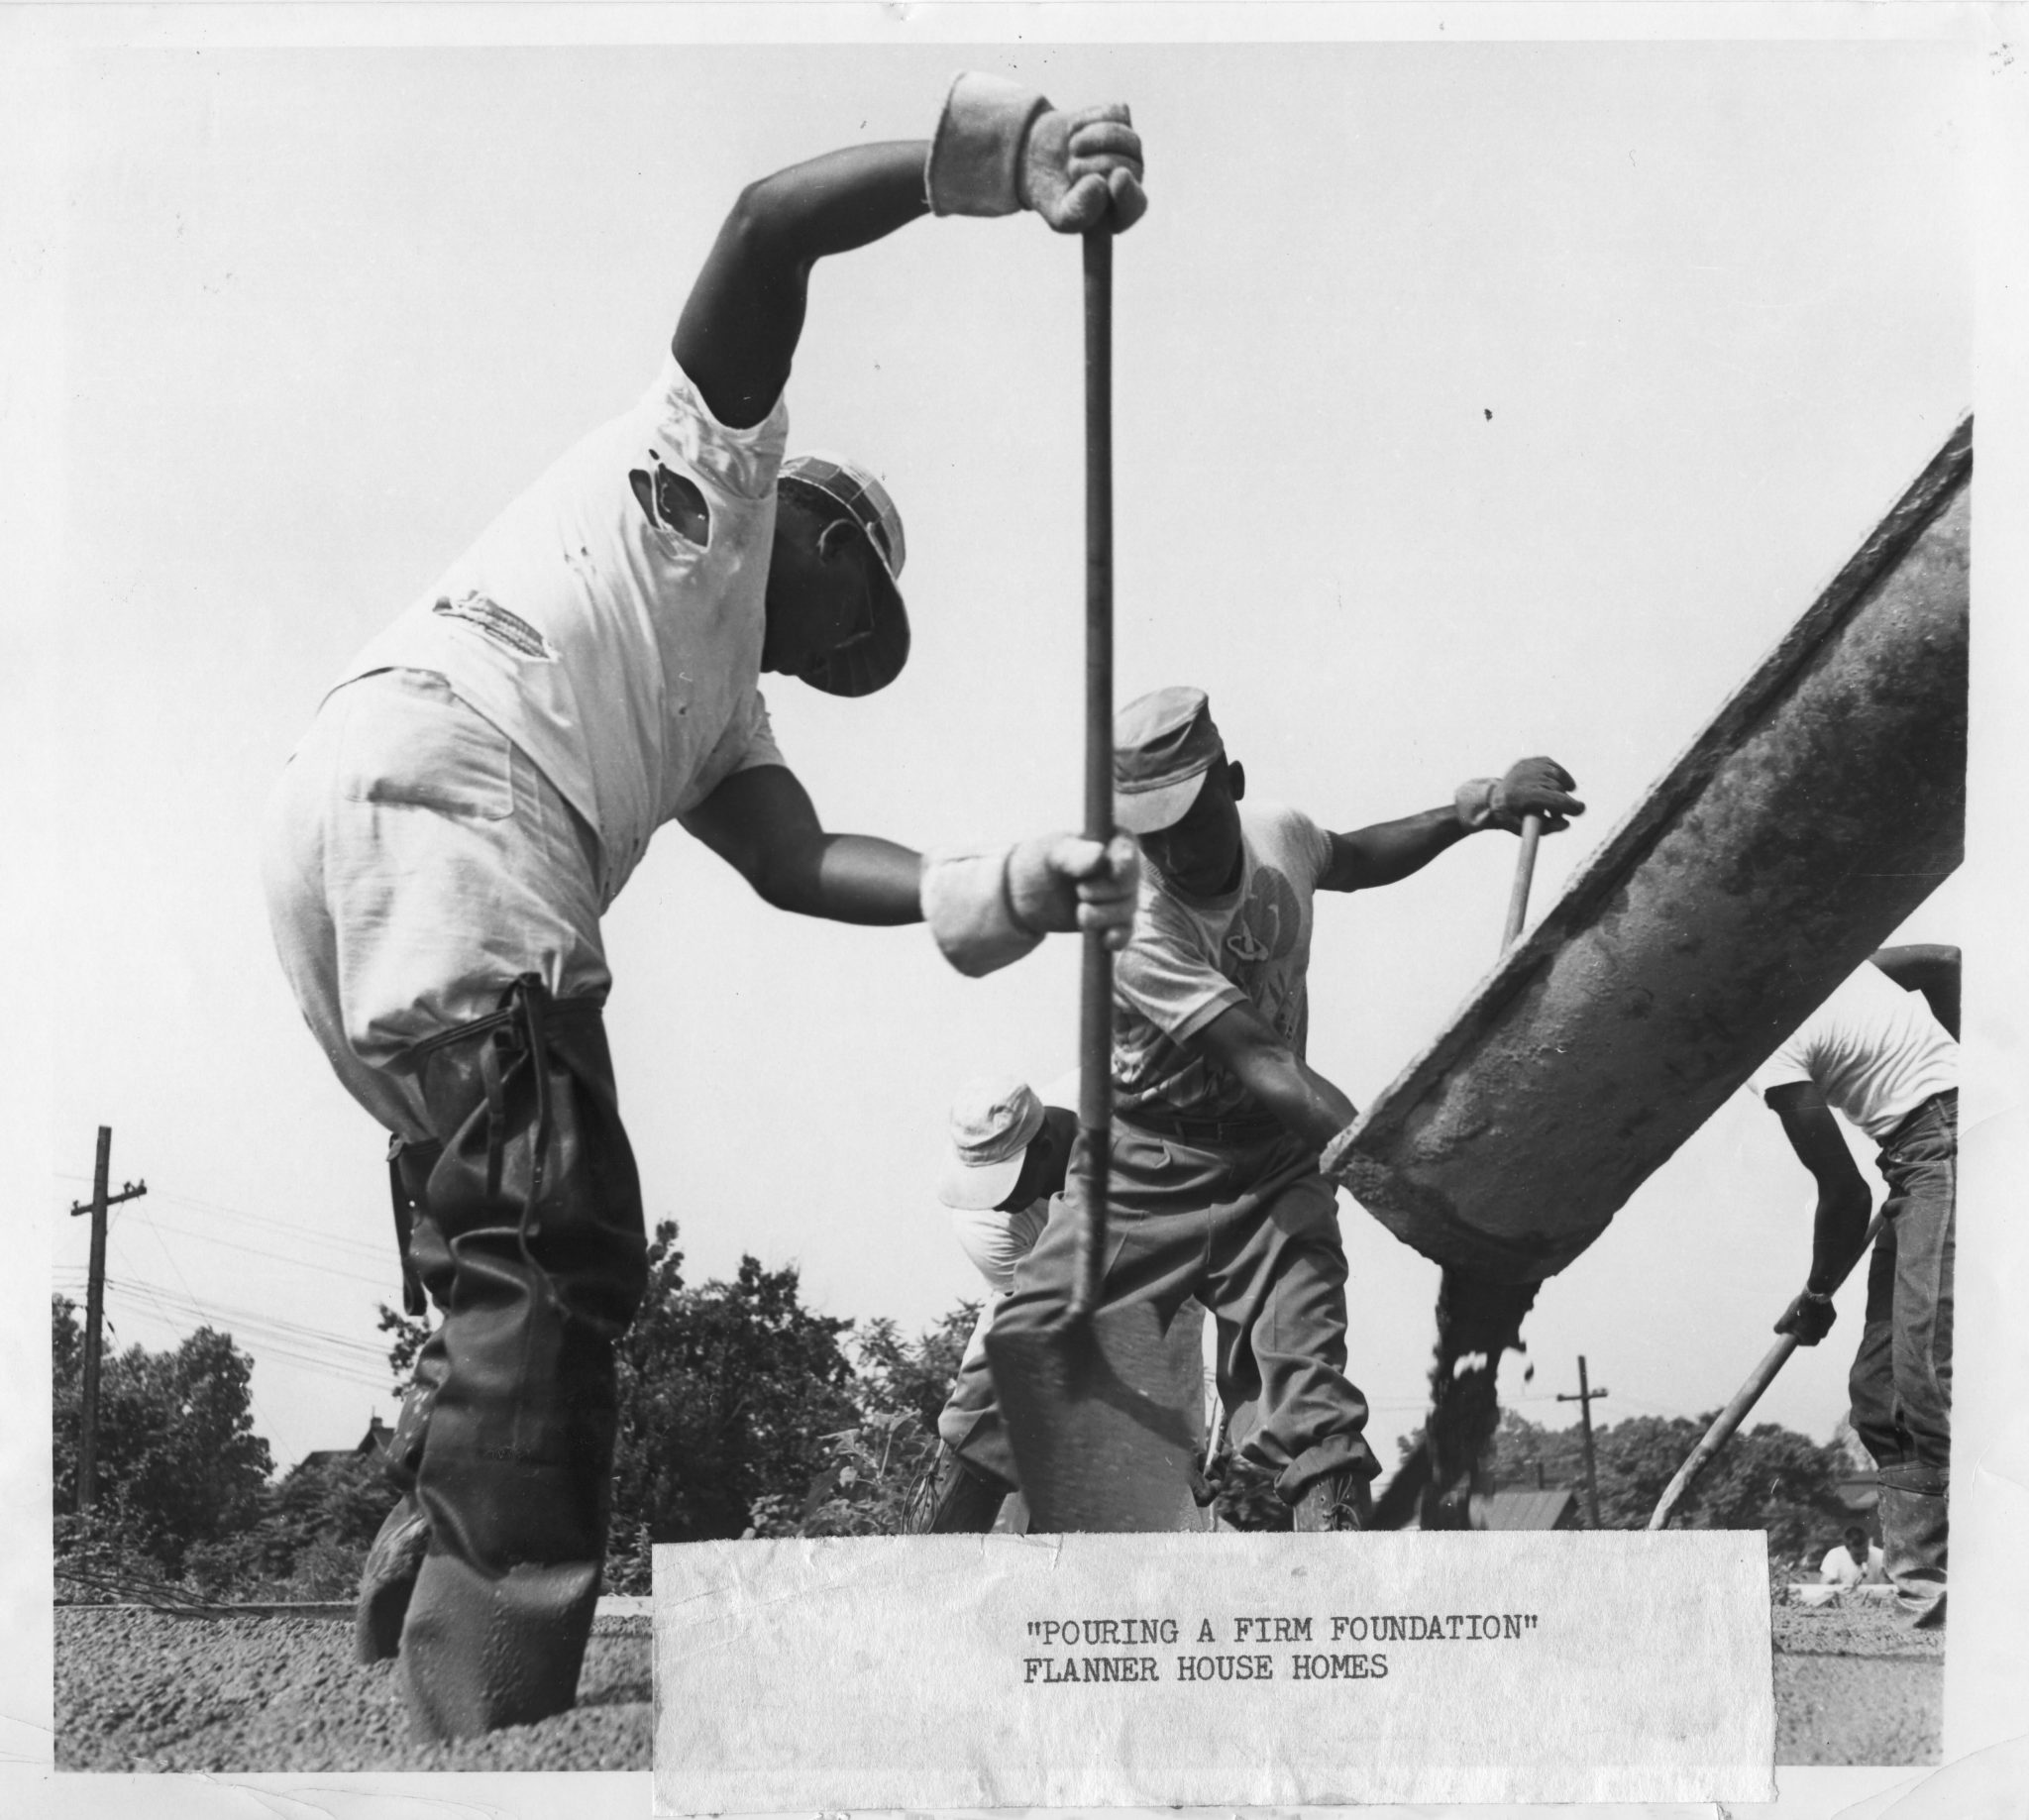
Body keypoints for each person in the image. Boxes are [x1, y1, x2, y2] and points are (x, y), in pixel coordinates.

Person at [260, 73, 1148, 1740]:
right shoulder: (723, 471)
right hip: (467, 784)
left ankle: (421, 1555)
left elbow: (805, 863)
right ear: (821, 527)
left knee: (484, 1230)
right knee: (557, 1225)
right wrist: (1007, 165)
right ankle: (491, 1696)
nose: (826, 652)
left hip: (348, 811)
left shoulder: (719, 716)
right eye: (844, 615)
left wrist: (1014, 878)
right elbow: (767, 225)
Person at [945, 686, 1584, 1530]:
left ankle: (1329, 1590)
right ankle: (920, 1590)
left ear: (1233, 784)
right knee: (1018, 1367)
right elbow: (1264, 1060)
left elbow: (1353, 857)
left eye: (1190, 820)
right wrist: (1408, 1168)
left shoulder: (1277, 832)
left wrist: (1476, 807)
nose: (1174, 850)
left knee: (1309, 1392)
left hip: (1276, 1165)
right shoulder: (1133, 920)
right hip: (1143, 1168)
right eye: (1152, 832)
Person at [1750, 945, 1959, 1629]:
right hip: (1914, 1159)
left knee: (1930, 1378)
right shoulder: (1828, 965)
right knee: (1881, 1394)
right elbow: (1942, 962)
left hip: (1949, 1143)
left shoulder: (1767, 1044)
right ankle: (1928, 1597)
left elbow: (1843, 1193)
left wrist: (1816, 1296)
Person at [922, 1075, 1078, 1533]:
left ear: (1044, 1149)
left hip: (1139, 1267)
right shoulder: (985, 1225)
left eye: (1003, 1185)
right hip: (1037, 1300)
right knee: (988, 1414)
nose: (996, 1202)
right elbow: (1036, 1319)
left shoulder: (1123, 1123)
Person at [1819, 1523, 1887, 1589]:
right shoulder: (1834, 1556)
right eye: (1857, 1555)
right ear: (1847, 1549)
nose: (1863, 1557)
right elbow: (1824, 1586)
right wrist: (1830, 1583)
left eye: (1865, 1552)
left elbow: (1886, 1588)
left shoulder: (1880, 1556)